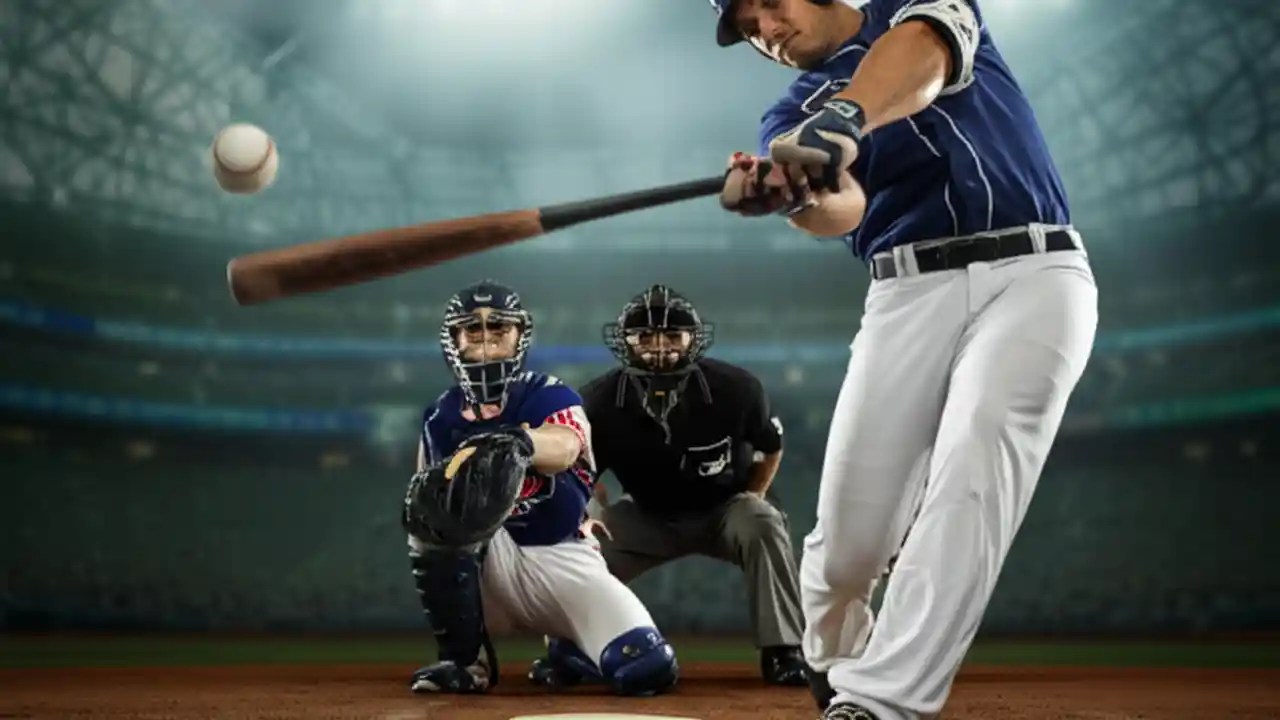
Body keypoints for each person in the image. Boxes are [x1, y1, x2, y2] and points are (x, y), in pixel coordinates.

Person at [710, 1, 1099, 719]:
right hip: (905, 294)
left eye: (767, 2)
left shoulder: (909, 7)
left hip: (1035, 274)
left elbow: (924, 59)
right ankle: (834, 662)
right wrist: (788, 193)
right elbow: (844, 209)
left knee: (974, 473)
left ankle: (884, 701)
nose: (763, 27)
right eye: (745, 25)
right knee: (848, 547)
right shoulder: (789, 115)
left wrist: (846, 122)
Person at [401, 279, 678, 697]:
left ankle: (571, 650)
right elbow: (422, 501)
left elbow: (566, 447)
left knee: (646, 668)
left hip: (558, 552)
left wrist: (520, 442)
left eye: (499, 330)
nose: (487, 342)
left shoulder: (547, 394)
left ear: (518, 337)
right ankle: (462, 659)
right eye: (473, 331)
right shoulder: (438, 419)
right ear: (453, 340)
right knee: (432, 512)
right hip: (485, 561)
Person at [530, 284, 808, 688]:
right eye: (645, 337)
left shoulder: (736, 388)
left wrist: (754, 494)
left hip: (723, 510)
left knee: (762, 520)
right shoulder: (598, 401)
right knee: (579, 543)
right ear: (626, 342)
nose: (659, 347)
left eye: (671, 336)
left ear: (693, 340)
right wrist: (592, 511)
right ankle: (570, 651)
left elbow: (772, 447)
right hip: (647, 515)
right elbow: (581, 472)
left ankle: (784, 651)